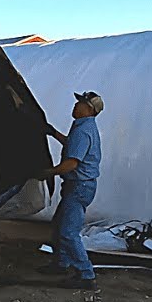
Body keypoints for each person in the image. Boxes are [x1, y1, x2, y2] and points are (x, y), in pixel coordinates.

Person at [39, 91, 104, 290]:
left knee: (68, 231)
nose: (75, 106)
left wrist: (47, 172)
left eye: (80, 103)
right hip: (81, 185)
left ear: (89, 109)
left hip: (79, 186)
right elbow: (72, 146)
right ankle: (61, 263)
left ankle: (86, 275)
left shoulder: (83, 131)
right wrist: (54, 133)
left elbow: (71, 164)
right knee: (59, 225)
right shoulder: (84, 127)